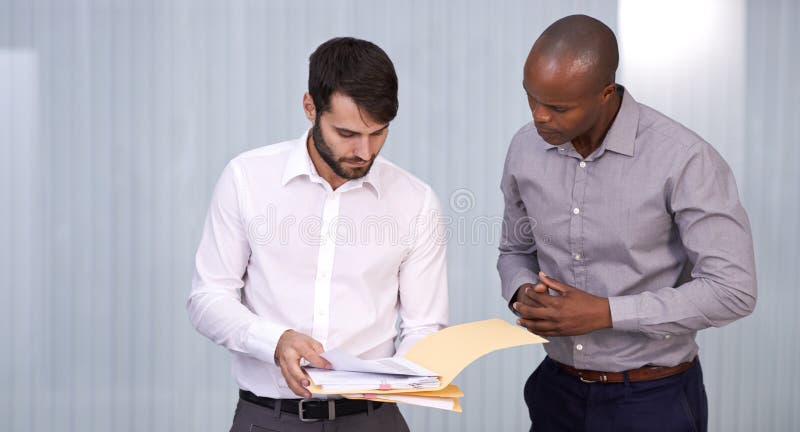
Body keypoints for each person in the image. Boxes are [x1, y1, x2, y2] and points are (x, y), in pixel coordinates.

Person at [497, 15, 756, 432]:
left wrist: (606, 313)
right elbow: (515, 251)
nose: (539, 117)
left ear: (605, 93)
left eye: (558, 107)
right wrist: (522, 292)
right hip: (555, 391)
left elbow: (734, 290)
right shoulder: (525, 148)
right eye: (531, 98)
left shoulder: (685, 160)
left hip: (653, 401)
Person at [187, 36, 448, 431]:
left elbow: (424, 326)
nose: (364, 152)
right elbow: (207, 298)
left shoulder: (416, 201)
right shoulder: (247, 178)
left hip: (373, 420)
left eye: (378, 133)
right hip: (269, 419)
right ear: (310, 107)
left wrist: (404, 373)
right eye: (347, 134)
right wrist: (275, 342)